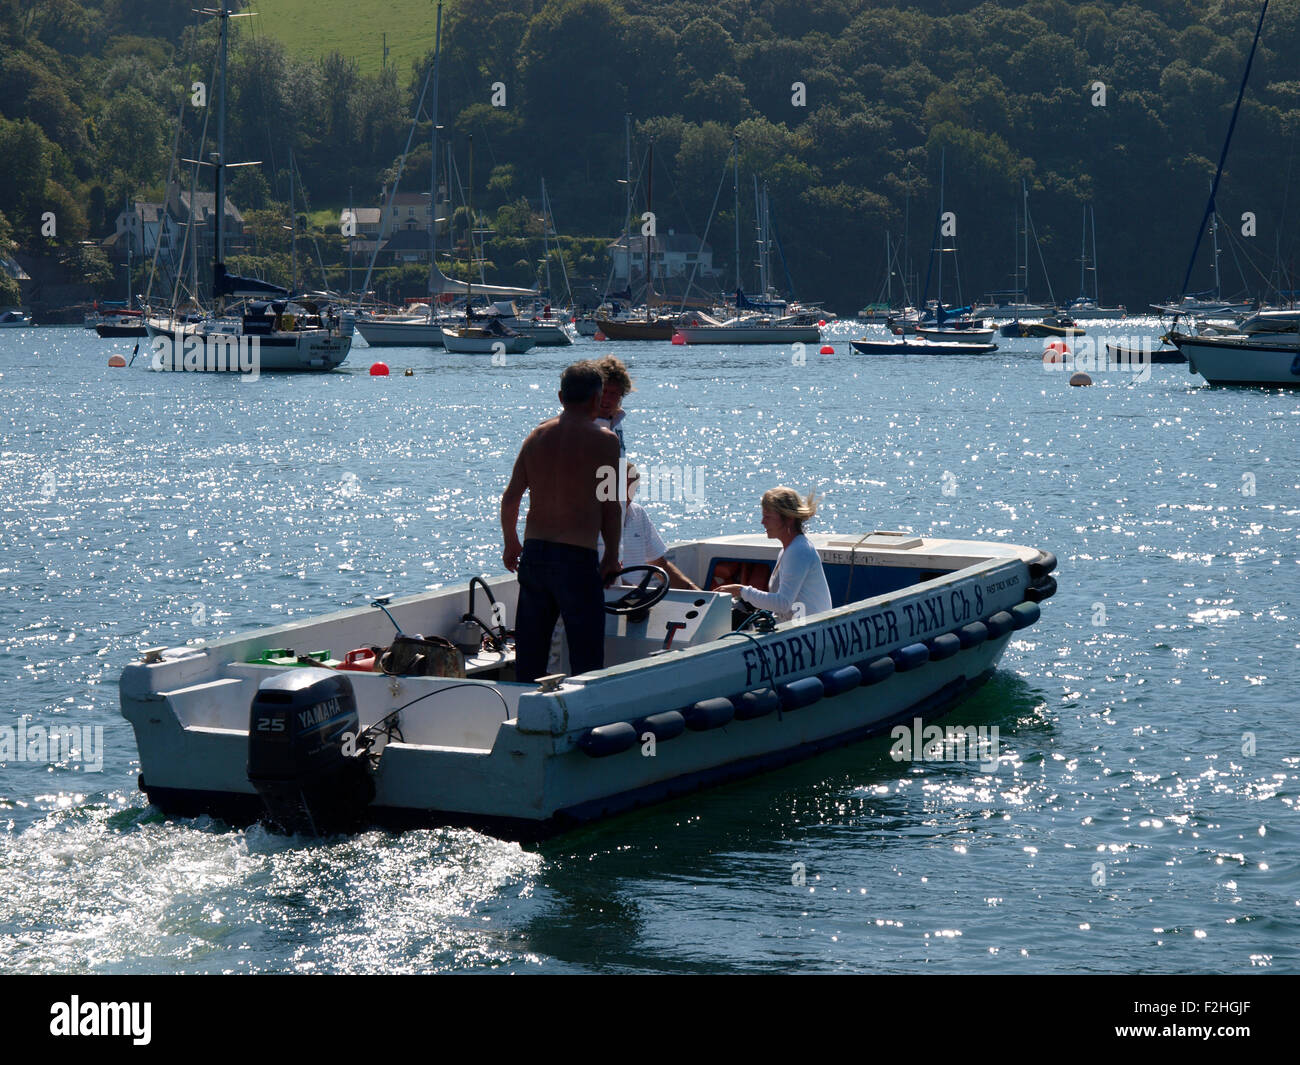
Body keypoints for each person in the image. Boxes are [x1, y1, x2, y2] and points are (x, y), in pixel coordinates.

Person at [502, 361, 622, 683]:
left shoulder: (536, 436)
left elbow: (510, 498)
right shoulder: (607, 441)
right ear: (597, 401)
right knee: (586, 658)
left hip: (535, 556)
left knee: (530, 654)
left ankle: (526, 716)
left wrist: (511, 542)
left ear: (560, 397)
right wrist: (611, 555)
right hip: (576, 560)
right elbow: (611, 506)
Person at [714, 487, 832, 622]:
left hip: (809, 632)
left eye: (768, 517)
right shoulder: (787, 550)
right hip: (796, 628)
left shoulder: (799, 550)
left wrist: (741, 591)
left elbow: (783, 604)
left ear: (788, 519)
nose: (762, 522)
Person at [609, 462, 698, 590]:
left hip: (632, 602)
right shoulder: (592, 519)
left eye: (632, 487)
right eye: (623, 486)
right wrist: (636, 594)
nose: (627, 493)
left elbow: (660, 564)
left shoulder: (638, 514)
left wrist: (697, 593)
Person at [592, 354, 631, 455]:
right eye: (604, 391)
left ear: (621, 395)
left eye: (613, 393)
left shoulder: (616, 420)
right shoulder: (585, 426)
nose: (607, 399)